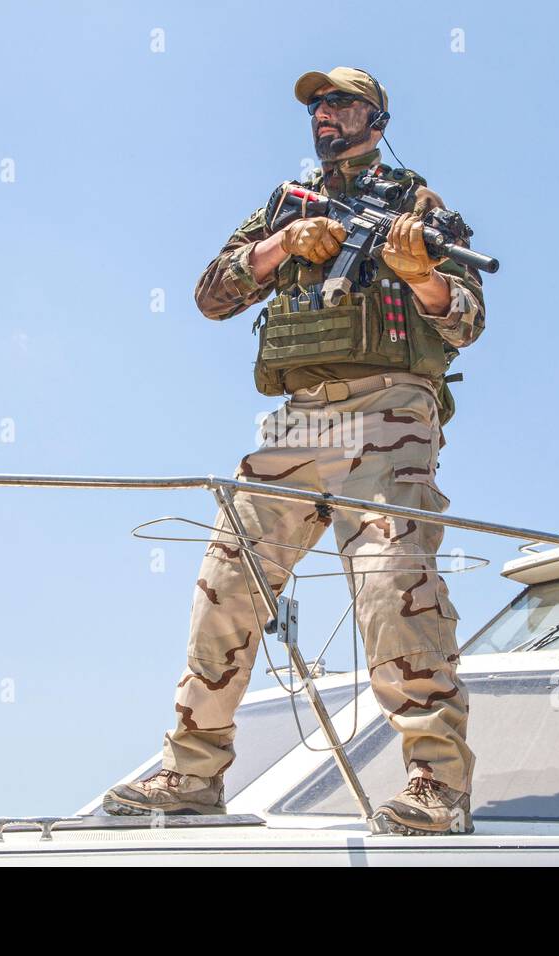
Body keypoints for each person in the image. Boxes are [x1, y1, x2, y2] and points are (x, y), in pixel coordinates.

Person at [104, 66, 487, 835]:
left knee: (393, 584)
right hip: (301, 418)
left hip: (391, 410)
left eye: (341, 103)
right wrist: (280, 246)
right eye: (317, 104)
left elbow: (467, 320)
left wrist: (421, 276)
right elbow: (213, 296)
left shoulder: (420, 205)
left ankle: (436, 785)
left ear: (377, 118)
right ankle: (192, 771)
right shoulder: (285, 202)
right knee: (227, 582)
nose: (325, 114)